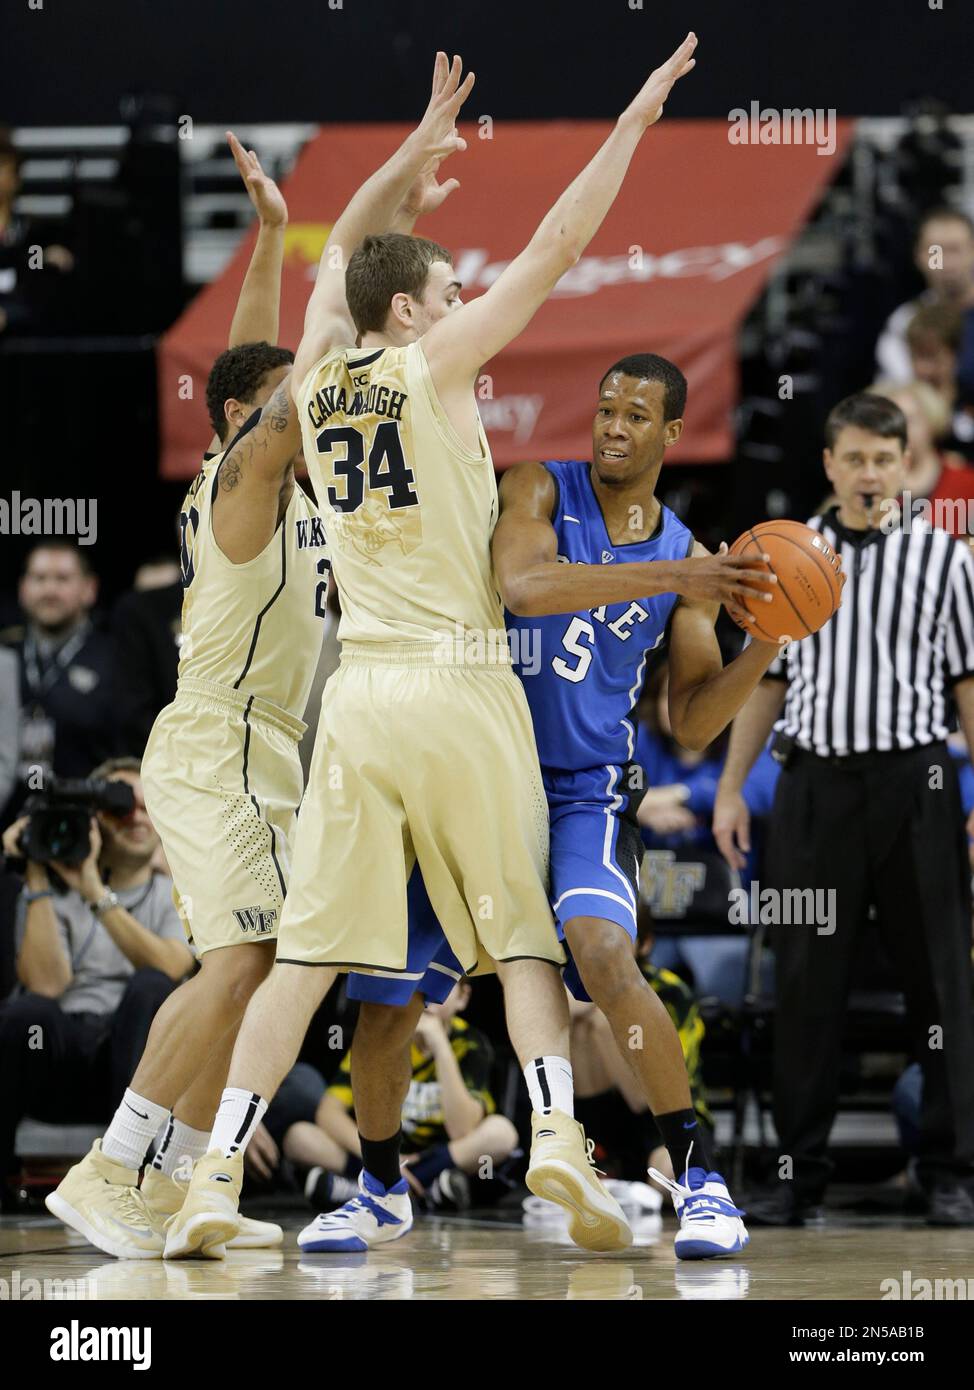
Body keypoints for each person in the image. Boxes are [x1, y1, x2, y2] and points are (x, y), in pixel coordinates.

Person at [167, 39, 756, 1262]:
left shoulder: (317, 370)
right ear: (411, 312)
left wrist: (408, 153)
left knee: (309, 961)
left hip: (359, 701)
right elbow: (553, 241)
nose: (454, 307)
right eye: (441, 292)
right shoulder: (432, 363)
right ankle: (553, 1140)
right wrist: (631, 125)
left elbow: (333, 257)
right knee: (522, 944)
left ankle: (211, 1176)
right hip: (457, 684)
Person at [43, 134, 335, 1260]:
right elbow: (272, 379)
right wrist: (349, 244)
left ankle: (166, 1187)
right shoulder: (245, 476)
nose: (301, 416)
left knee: (255, 967)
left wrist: (269, 236)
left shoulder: (279, 473)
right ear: (238, 427)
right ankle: (113, 1168)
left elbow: (248, 362)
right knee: (238, 965)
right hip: (217, 746)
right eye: (279, 408)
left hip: (265, 755)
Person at [714, 391, 974, 1228]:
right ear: (828, 464)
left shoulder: (948, 559)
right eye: (854, 458)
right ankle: (798, 1176)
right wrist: (728, 787)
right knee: (804, 989)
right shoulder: (789, 555)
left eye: (884, 459)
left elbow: (969, 687)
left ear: (905, 465)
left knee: (942, 986)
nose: (869, 473)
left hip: (917, 785)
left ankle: (948, 1170)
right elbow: (766, 683)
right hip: (815, 790)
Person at [0, 758, 193, 1191]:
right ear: (93, 820)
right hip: (63, 1058)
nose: (137, 817)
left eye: (148, 807)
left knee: (150, 988)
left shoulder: (176, 892)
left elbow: (169, 966)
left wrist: (94, 891)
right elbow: (47, 985)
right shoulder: (51, 889)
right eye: (121, 807)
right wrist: (36, 867)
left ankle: (127, 1177)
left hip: (137, 1062)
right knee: (28, 1014)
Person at [304, 981, 516, 1235]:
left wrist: (440, 1047)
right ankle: (419, 1189)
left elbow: (463, 1129)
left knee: (501, 1133)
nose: (430, 994)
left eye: (444, 983)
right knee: (301, 1137)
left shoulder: (471, 1043)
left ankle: (368, 1190)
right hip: (378, 1151)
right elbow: (328, 1112)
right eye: (421, 982)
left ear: (463, 997)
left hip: (439, 1154)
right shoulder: (381, 1038)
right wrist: (387, 1160)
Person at [2, 542, 119, 796]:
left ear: (89, 589)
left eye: (62, 579)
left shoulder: (115, 658)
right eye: (39, 578)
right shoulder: (5, 656)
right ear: (23, 589)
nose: (49, 589)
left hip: (87, 812)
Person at [874, 206, 974, 394]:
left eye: (956, 250)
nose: (947, 262)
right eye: (936, 252)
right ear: (919, 257)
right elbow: (899, 394)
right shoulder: (905, 321)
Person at [867, 379, 974, 537]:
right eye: (890, 422)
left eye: (910, 420)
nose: (901, 431)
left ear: (930, 422)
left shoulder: (966, 485)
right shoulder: (867, 486)